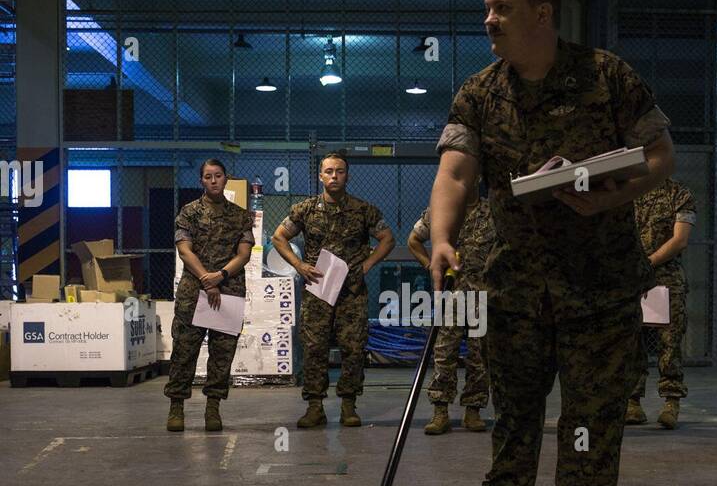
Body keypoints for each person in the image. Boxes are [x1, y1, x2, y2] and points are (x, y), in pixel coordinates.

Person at [428, 0, 675, 486]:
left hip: (598, 285)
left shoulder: (606, 76)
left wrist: (608, 194)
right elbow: (457, 172)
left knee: (591, 416)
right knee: (514, 413)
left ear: (542, 13)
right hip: (513, 284)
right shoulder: (480, 92)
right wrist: (445, 235)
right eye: (487, 7)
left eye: (502, 7)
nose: (488, 18)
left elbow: (658, 157)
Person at [271, 151, 394, 427]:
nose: (334, 176)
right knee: (315, 348)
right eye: (329, 171)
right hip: (318, 290)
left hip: (351, 292)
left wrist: (366, 265)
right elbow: (278, 237)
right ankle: (315, 407)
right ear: (320, 176)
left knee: (353, 347)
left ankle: (349, 406)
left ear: (347, 175)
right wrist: (299, 265)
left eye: (339, 171)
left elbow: (387, 239)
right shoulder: (305, 209)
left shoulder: (364, 210)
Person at [165, 158, 254, 433]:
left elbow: (244, 253)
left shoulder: (241, 216)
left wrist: (221, 276)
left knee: (222, 353)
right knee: (184, 350)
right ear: (201, 180)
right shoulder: (188, 212)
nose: (213, 181)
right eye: (208, 176)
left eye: (218, 176)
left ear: (226, 179)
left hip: (228, 292)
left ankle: (213, 407)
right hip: (194, 294)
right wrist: (206, 278)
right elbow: (184, 250)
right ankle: (176, 407)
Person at [408, 187, 495, 434]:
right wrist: (430, 265)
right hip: (449, 295)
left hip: (482, 295)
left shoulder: (491, 211)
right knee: (444, 353)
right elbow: (413, 241)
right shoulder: (442, 211)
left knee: (479, 355)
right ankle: (440, 412)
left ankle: (473, 411)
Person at [626, 178, 696, 430]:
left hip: (666, 280)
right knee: (631, 342)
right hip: (631, 279)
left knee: (670, 343)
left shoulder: (679, 194)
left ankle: (671, 402)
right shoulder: (628, 192)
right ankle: (632, 402)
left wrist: (648, 263)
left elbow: (680, 239)